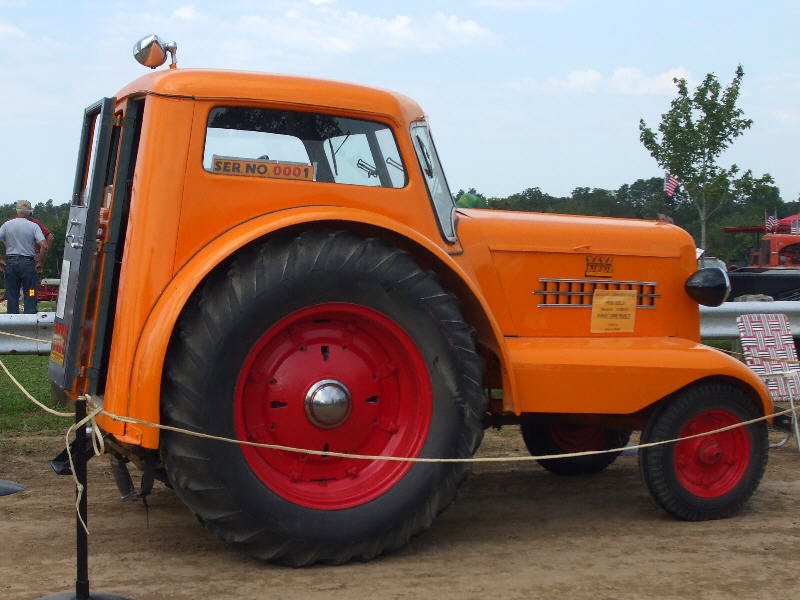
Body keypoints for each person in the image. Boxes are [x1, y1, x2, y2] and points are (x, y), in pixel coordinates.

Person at [0, 200, 46, 313]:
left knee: (12, 294)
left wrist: (0, 260)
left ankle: (13, 324)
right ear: (30, 213)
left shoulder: (7, 225)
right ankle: (30, 320)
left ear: (17, 211)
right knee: (30, 292)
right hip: (28, 265)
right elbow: (44, 245)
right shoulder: (33, 226)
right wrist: (40, 262)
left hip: (11, 264)